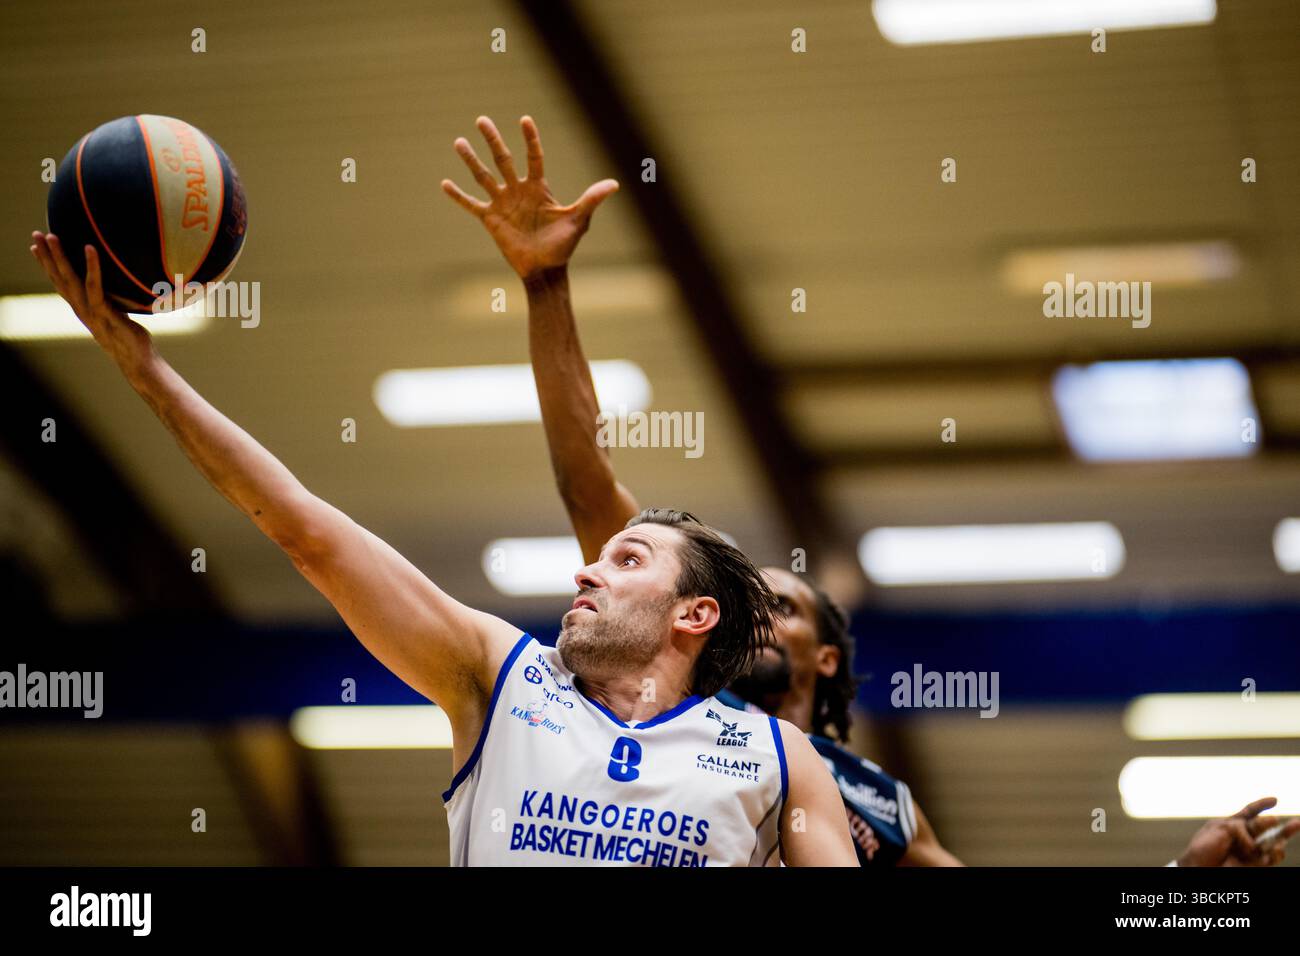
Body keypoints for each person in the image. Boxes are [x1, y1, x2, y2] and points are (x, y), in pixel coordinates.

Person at [440, 114, 1300, 870]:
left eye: (786, 605)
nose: (761, 612)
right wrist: (547, 285)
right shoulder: (674, 695)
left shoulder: (881, 804)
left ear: (824, 660)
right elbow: (583, 473)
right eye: (753, 599)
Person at [28, 231, 856, 867]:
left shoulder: (780, 758)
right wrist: (145, 372)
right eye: (601, 556)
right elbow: (303, 528)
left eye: (628, 560)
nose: (587, 566)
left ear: (695, 613)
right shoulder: (504, 677)